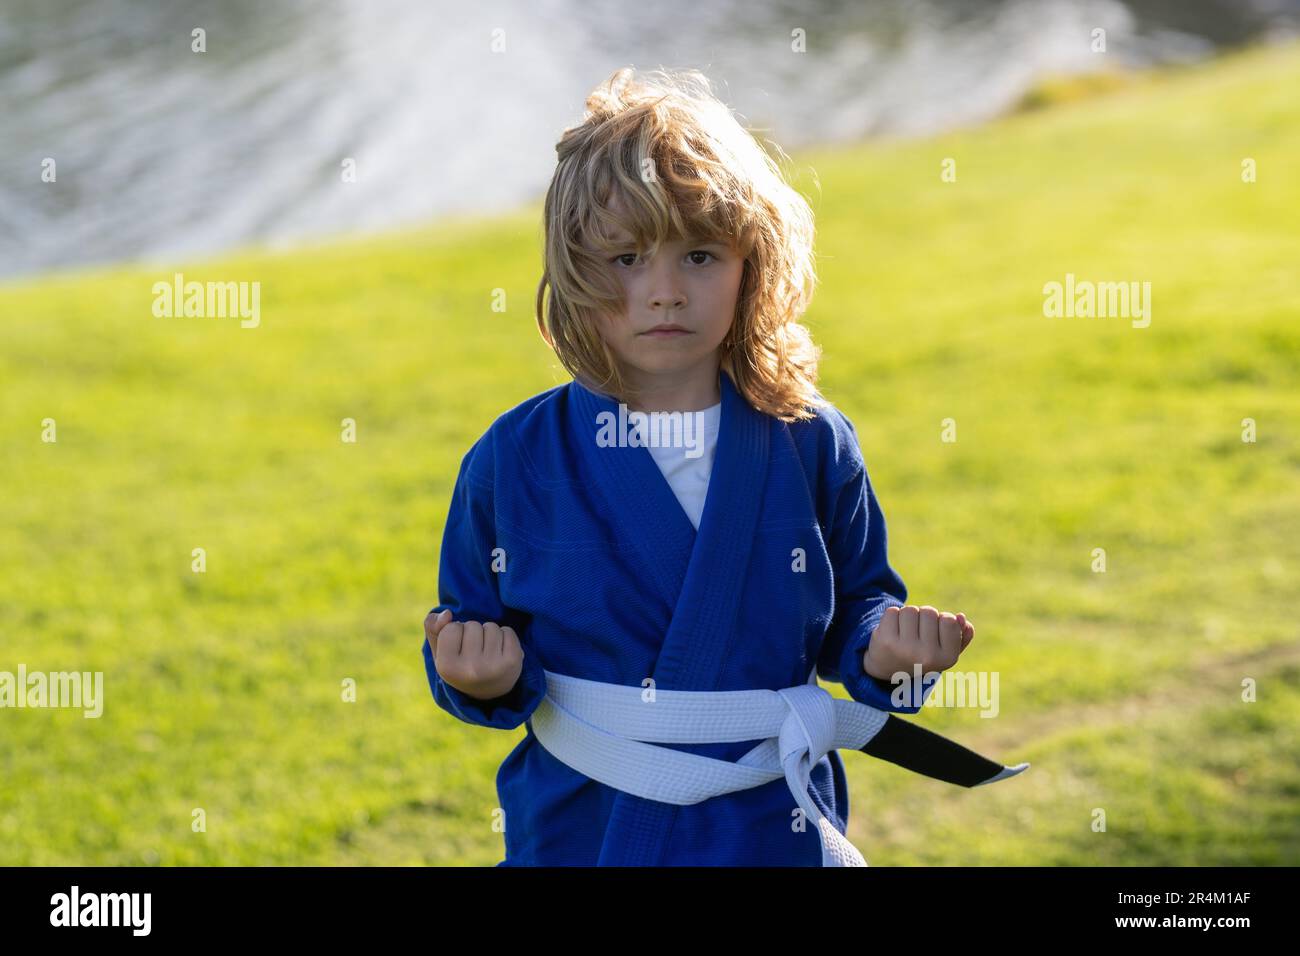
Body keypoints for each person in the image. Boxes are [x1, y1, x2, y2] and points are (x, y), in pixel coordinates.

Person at [422, 66, 982, 866]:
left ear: (753, 260)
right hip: (586, 825)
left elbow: (859, 607)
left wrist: (890, 656)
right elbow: (471, 634)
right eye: (625, 259)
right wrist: (475, 675)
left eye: (699, 256)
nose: (663, 293)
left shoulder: (810, 441)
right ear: (576, 269)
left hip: (767, 824)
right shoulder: (514, 462)